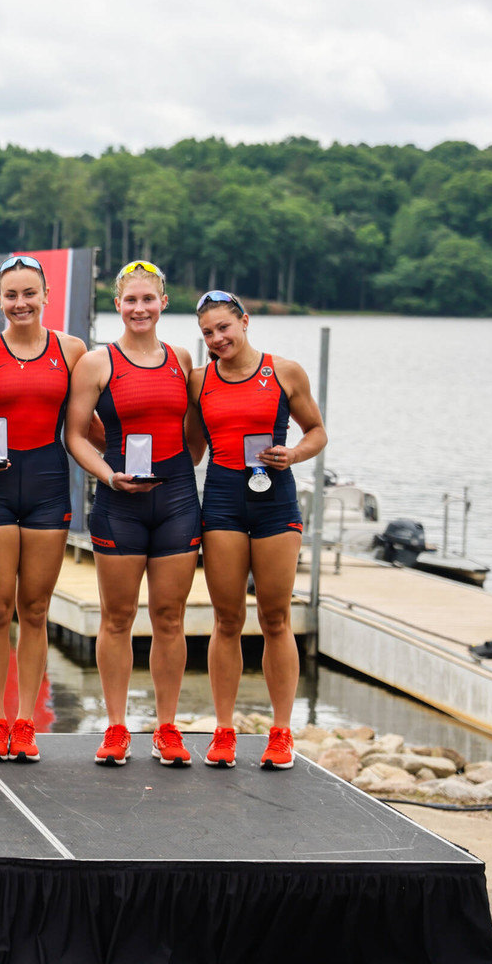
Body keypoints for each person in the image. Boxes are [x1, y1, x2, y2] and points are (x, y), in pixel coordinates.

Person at [65, 260, 200, 769]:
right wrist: (108, 475)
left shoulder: (183, 359)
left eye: (148, 299)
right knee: (116, 618)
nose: (139, 308)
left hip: (177, 502)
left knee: (170, 618)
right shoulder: (98, 363)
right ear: (117, 305)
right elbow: (75, 434)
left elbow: (195, 437)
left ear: (164, 303)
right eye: (130, 300)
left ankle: (167, 728)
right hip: (119, 501)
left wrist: (179, 472)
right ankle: (117, 727)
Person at [0, 255, 90, 762]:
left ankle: (27, 722)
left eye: (29, 294)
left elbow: (87, 423)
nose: (20, 304)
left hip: (48, 484)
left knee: (35, 610)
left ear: (46, 295)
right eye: (11, 295)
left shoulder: (72, 351)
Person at [188, 291, 326, 770]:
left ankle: (281, 733)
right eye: (208, 332)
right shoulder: (199, 380)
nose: (218, 338)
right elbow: (190, 451)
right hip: (224, 502)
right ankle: (223, 731)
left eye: (224, 327)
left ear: (244, 322)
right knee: (227, 620)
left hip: (276, 501)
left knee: (275, 618)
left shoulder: (284, 372)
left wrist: (295, 454)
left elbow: (317, 431)